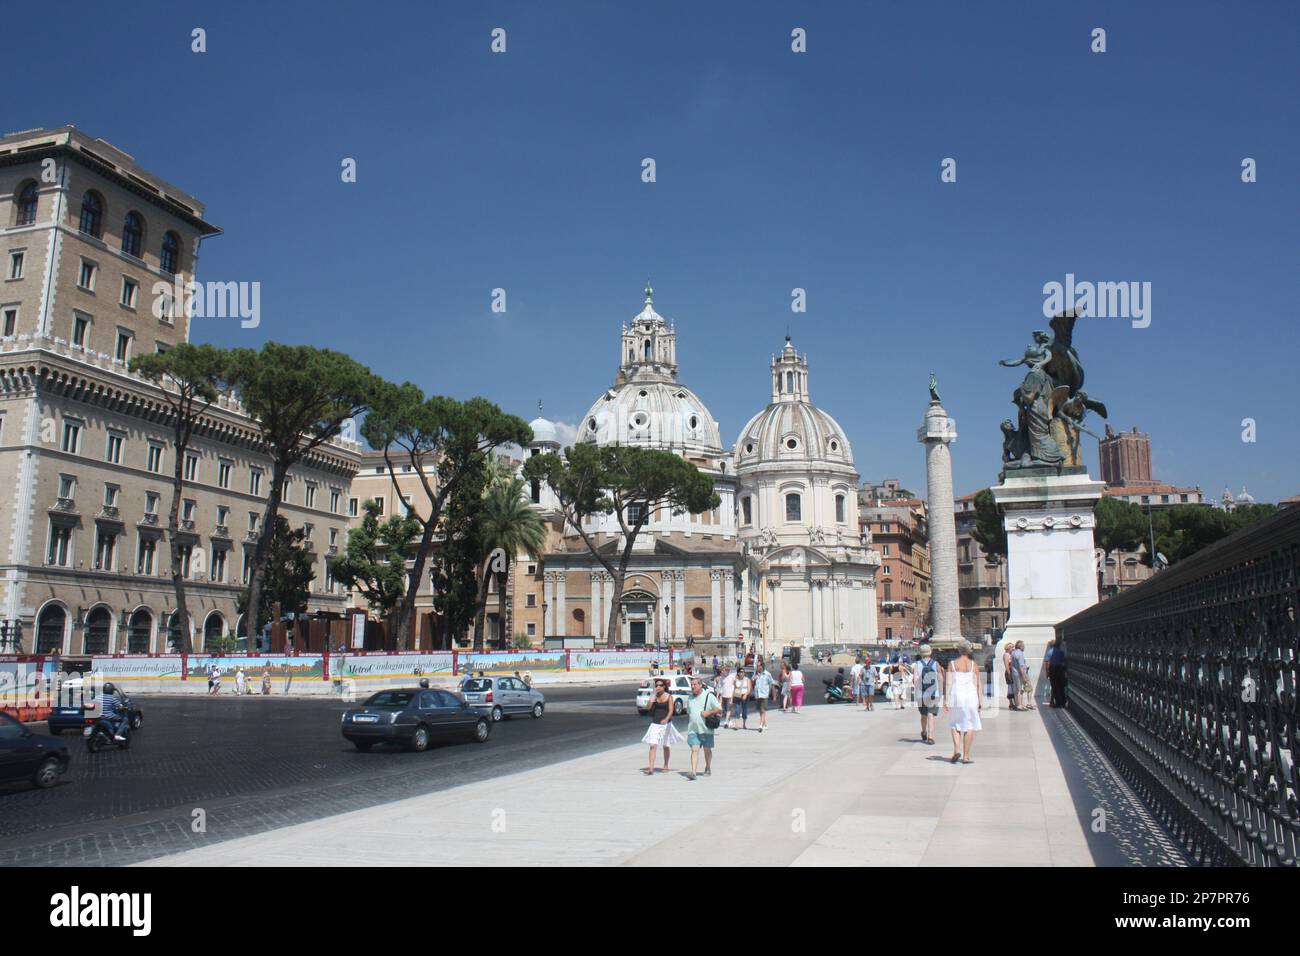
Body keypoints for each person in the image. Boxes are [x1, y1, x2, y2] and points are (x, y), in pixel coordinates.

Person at [944, 640, 983, 764]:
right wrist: (980, 700)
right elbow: (978, 684)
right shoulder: (973, 664)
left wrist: (946, 699)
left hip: (957, 695)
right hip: (971, 695)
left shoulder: (952, 664)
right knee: (970, 725)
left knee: (955, 723)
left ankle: (956, 750)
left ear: (959, 650)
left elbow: (949, 682)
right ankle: (966, 756)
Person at [641, 679, 684, 775]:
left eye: (660, 685)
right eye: (656, 685)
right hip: (655, 723)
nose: (658, 687)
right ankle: (651, 768)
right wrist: (652, 695)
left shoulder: (669, 697)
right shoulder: (654, 696)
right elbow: (647, 708)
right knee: (652, 745)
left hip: (666, 724)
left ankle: (665, 765)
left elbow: (671, 710)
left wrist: (666, 719)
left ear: (664, 686)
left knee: (666, 745)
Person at [685, 678, 722, 780]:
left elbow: (719, 709)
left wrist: (708, 713)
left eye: (695, 685)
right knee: (694, 750)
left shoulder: (709, 696)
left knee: (707, 750)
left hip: (706, 729)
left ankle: (708, 767)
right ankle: (693, 772)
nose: (692, 687)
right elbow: (689, 713)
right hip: (693, 729)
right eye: (691, 685)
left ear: (701, 685)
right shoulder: (690, 698)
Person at [913, 645, 943, 745]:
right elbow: (940, 678)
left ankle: (924, 732)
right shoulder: (936, 663)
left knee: (923, 715)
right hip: (934, 693)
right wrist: (941, 692)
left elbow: (915, 680)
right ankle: (930, 737)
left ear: (921, 653)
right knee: (931, 715)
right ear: (930, 652)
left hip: (921, 694)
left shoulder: (917, 664)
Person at [1013, 640, 1035, 710]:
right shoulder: (1020, 653)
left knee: (1018, 690)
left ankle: (1019, 704)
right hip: (1021, 674)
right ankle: (1023, 705)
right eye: (1023, 646)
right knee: (1027, 689)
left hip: (1015, 673)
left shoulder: (1013, 653)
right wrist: (1024, 676)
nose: (1024, 647)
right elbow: (1021, 666)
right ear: (1021, 646)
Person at [751, 664, 773, 732]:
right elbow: (752, 680)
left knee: (763, 710)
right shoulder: (756, 674)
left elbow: (771, 683)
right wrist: (754, 679)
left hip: (764, 695)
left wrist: (769, 693)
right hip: (757, 695)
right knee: (760, 710)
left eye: (758, 666)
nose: (757, 668)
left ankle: (760, 726)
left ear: (762, 667)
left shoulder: (767, 674)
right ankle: (764, 724)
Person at [1048, 640, 1068, 708]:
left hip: (1053, 670)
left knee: (1055, 687)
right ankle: (1063, 702)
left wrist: (1047, 673)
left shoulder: (1050, 651)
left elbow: (1047, 663)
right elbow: (1064, 661)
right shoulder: (1061, 652)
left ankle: (1058, 703)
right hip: (1060, 670)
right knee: (1061, 686)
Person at [1002, 642, 1017, 711]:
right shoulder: (1006, 655)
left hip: (1012, 672)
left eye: (1013, 647)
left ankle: (1014, 703)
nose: (1013, 648)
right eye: (1011, 647)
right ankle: (1011, 703)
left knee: (1013, 687)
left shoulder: (1011, 654)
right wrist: (1009, 674)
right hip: (1009, 672)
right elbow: (1006, 665)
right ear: (1008, 648)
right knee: (1010, 688)